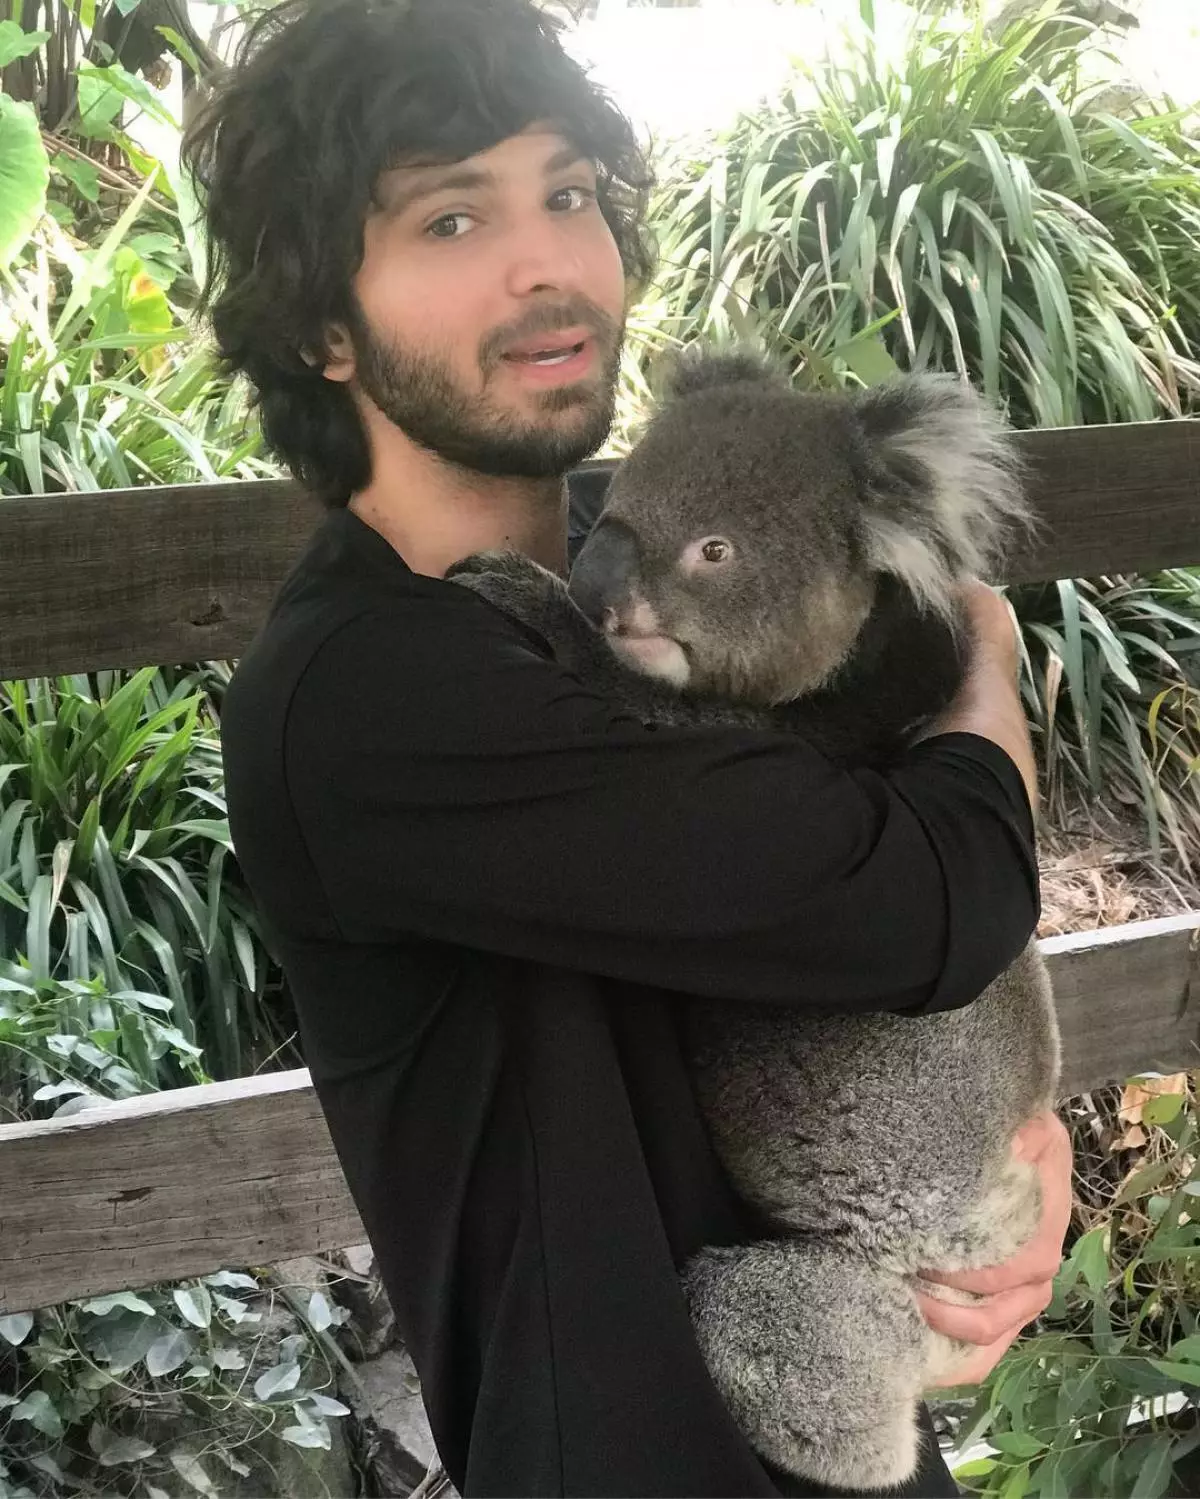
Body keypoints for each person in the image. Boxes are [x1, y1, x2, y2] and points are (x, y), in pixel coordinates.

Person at [183, 0, 1072, 1493]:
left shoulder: (637, 561)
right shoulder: (374, 699)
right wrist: (991, 654)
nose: (543, 260)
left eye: (570, 193)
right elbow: (937, 895)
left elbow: (944, 904)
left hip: (851, 1406)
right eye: (452, 217)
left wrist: (1010, 1161)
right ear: (322, 325)